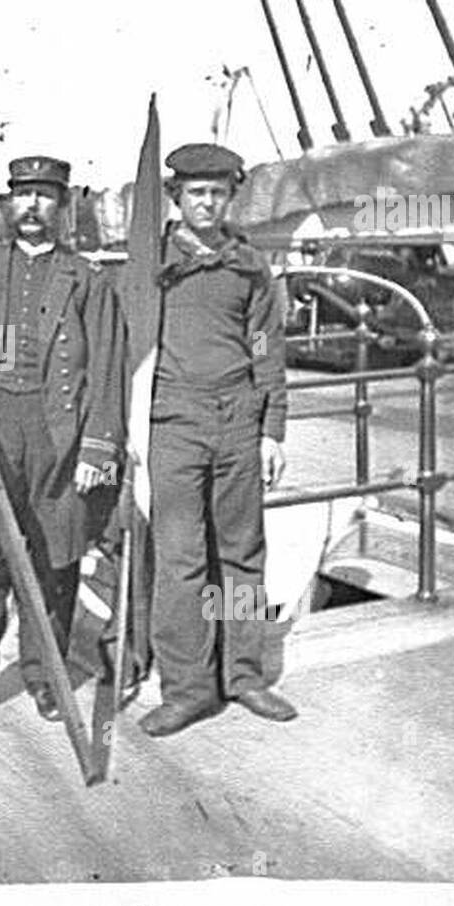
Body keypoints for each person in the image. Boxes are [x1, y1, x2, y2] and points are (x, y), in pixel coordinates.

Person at [0, 155, 127, 731]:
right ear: (8, 205)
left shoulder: (89, 281)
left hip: (58, 434)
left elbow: (108, 370)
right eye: (23, 195)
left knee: (53, 566)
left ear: (63, 208)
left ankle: (43, 676)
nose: (33, 207)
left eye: (45, 196)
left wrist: (98, 449)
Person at [140, 143, 297, 738]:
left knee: (240, 556)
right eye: (195, 193)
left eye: (216, 193)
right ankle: (187, 690)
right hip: (173, 426)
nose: (206, 203)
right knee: (180, 562)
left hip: (237, 424)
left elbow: (264, 347)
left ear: (230, 197)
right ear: (177, 198)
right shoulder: (149, 266)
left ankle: (245, 676)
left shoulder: (248, 266)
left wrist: (270, 430)